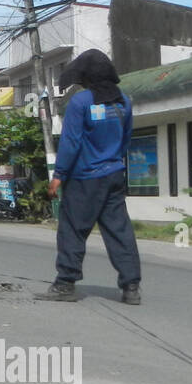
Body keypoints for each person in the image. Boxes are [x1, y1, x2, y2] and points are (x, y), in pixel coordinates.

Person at [41, 49, 142, 304]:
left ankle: (65, 283)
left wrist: (58, 176)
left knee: (73, 229)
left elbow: (71, 142)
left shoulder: (81, 102)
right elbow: (126, 139)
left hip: (84, 179)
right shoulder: (124, 102)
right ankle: (131, 287)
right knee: (120, 232)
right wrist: (112, 162)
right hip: (114, 176)